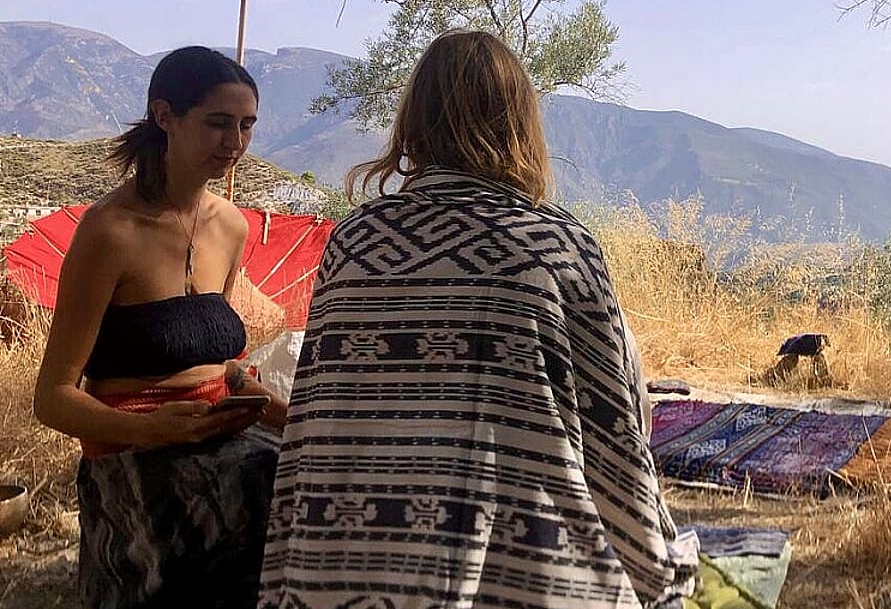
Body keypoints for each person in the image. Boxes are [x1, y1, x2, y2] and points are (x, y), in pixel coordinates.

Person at [258, 30, 693, 609]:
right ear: (519, 123)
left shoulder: (353, 243)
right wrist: (661, 571)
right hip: (528, 575)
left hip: (342, 575)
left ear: (414, 121)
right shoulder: (558, 247)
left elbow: (314, 427)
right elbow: (617, 441)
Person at [33, 46, 286, 608]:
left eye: (247, 126)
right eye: (218, 123)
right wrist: (155, 428)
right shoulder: (110, 232)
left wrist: (244, 389)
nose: (235, 142)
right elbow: (52, 400)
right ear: (165, 115)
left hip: (216, 437)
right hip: (131, 453)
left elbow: (214, 357)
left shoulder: (231, 226)